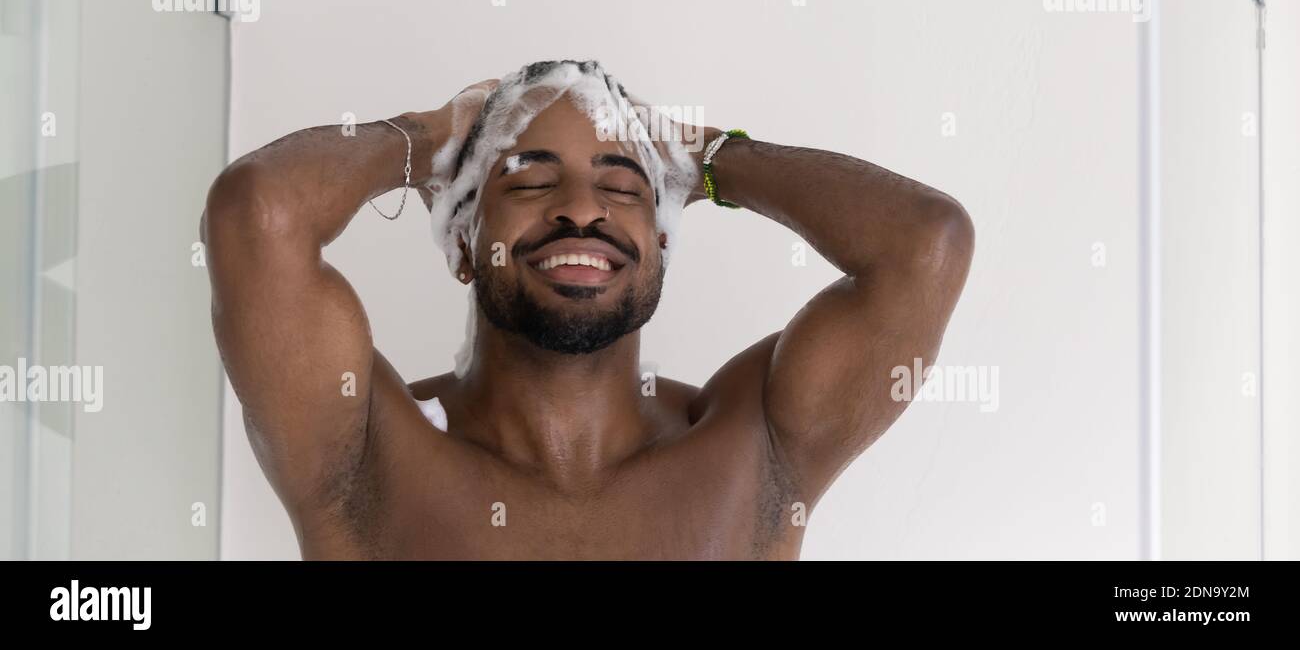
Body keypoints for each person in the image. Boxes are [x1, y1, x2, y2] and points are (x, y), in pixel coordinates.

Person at [202, 61, 974, 559]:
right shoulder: (364, 449)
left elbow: (925, 244)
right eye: (530, 181)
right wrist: (423, 142)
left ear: (661, 244)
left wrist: (704, 160)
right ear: (465, 246)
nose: (581, 209)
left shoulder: (755, 445)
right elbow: (258, 213)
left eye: (623, 186)